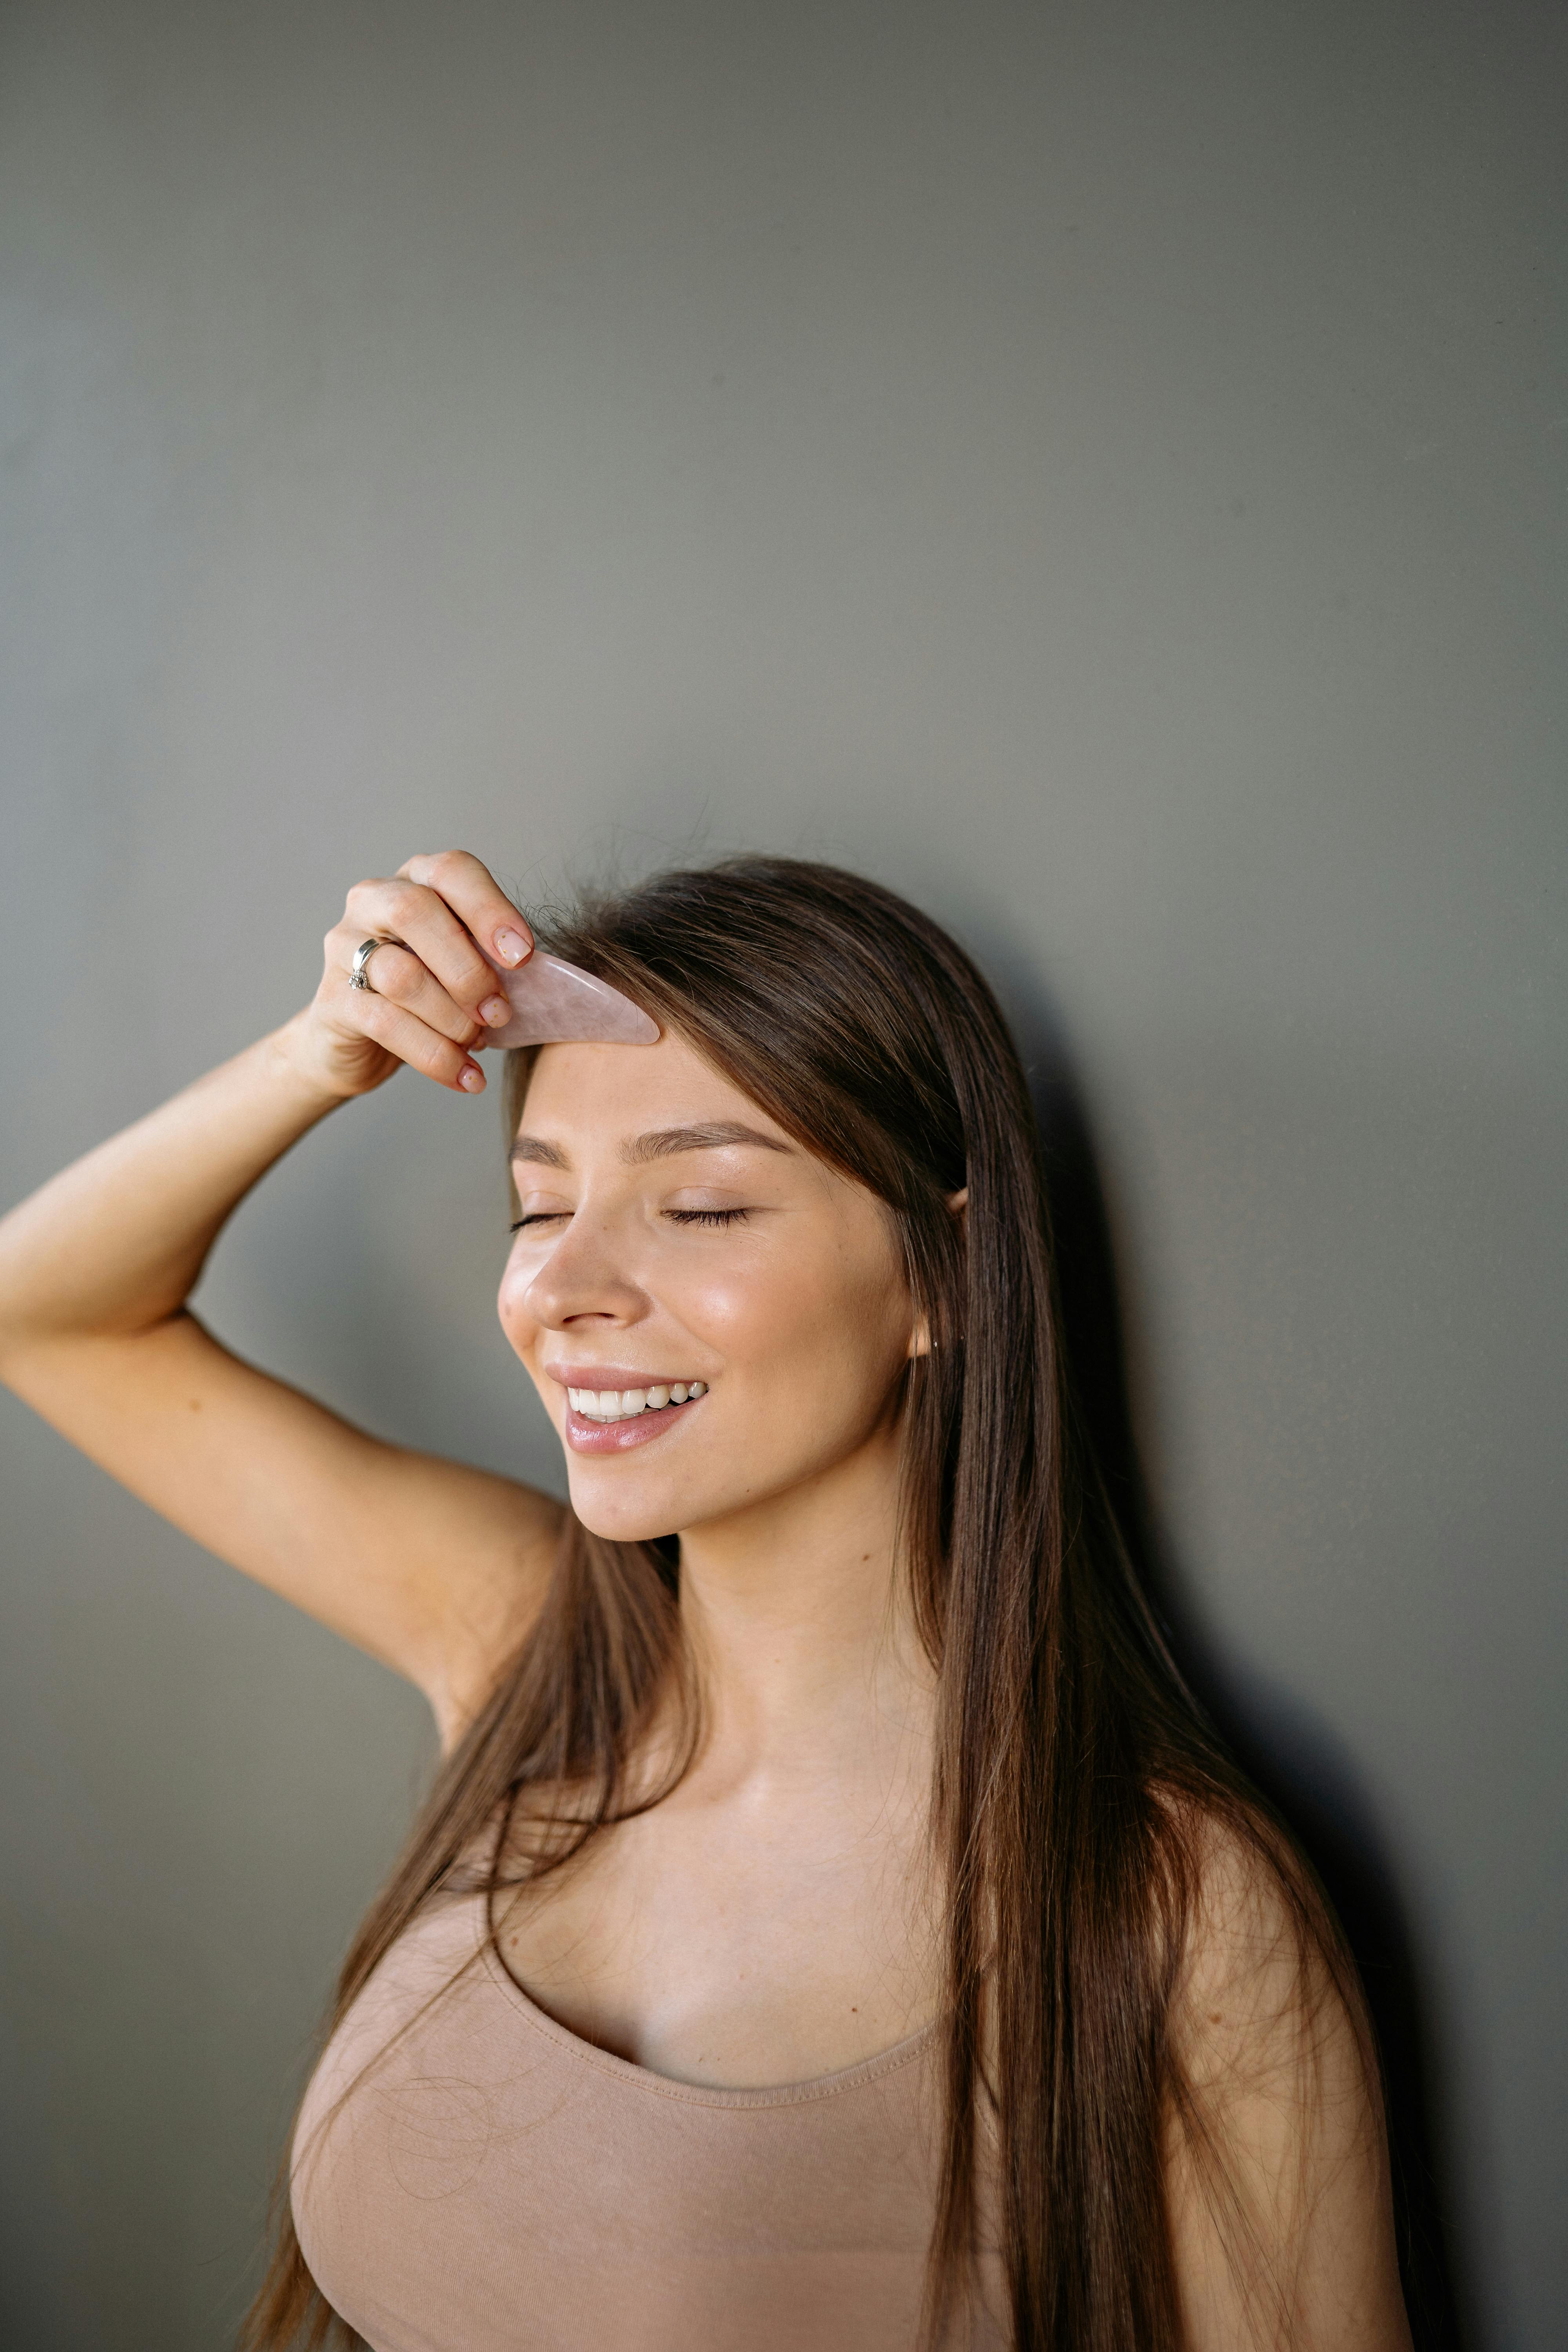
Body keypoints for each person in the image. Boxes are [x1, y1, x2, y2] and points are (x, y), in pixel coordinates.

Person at [0, 849, 1413, 2351]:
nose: (561, 1290)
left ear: (943, 1274)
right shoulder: (534, 1657)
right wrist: (321, 1051)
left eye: (702, 1207)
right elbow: (48, 1319)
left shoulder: (1166, 1907)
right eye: (540, 1208)